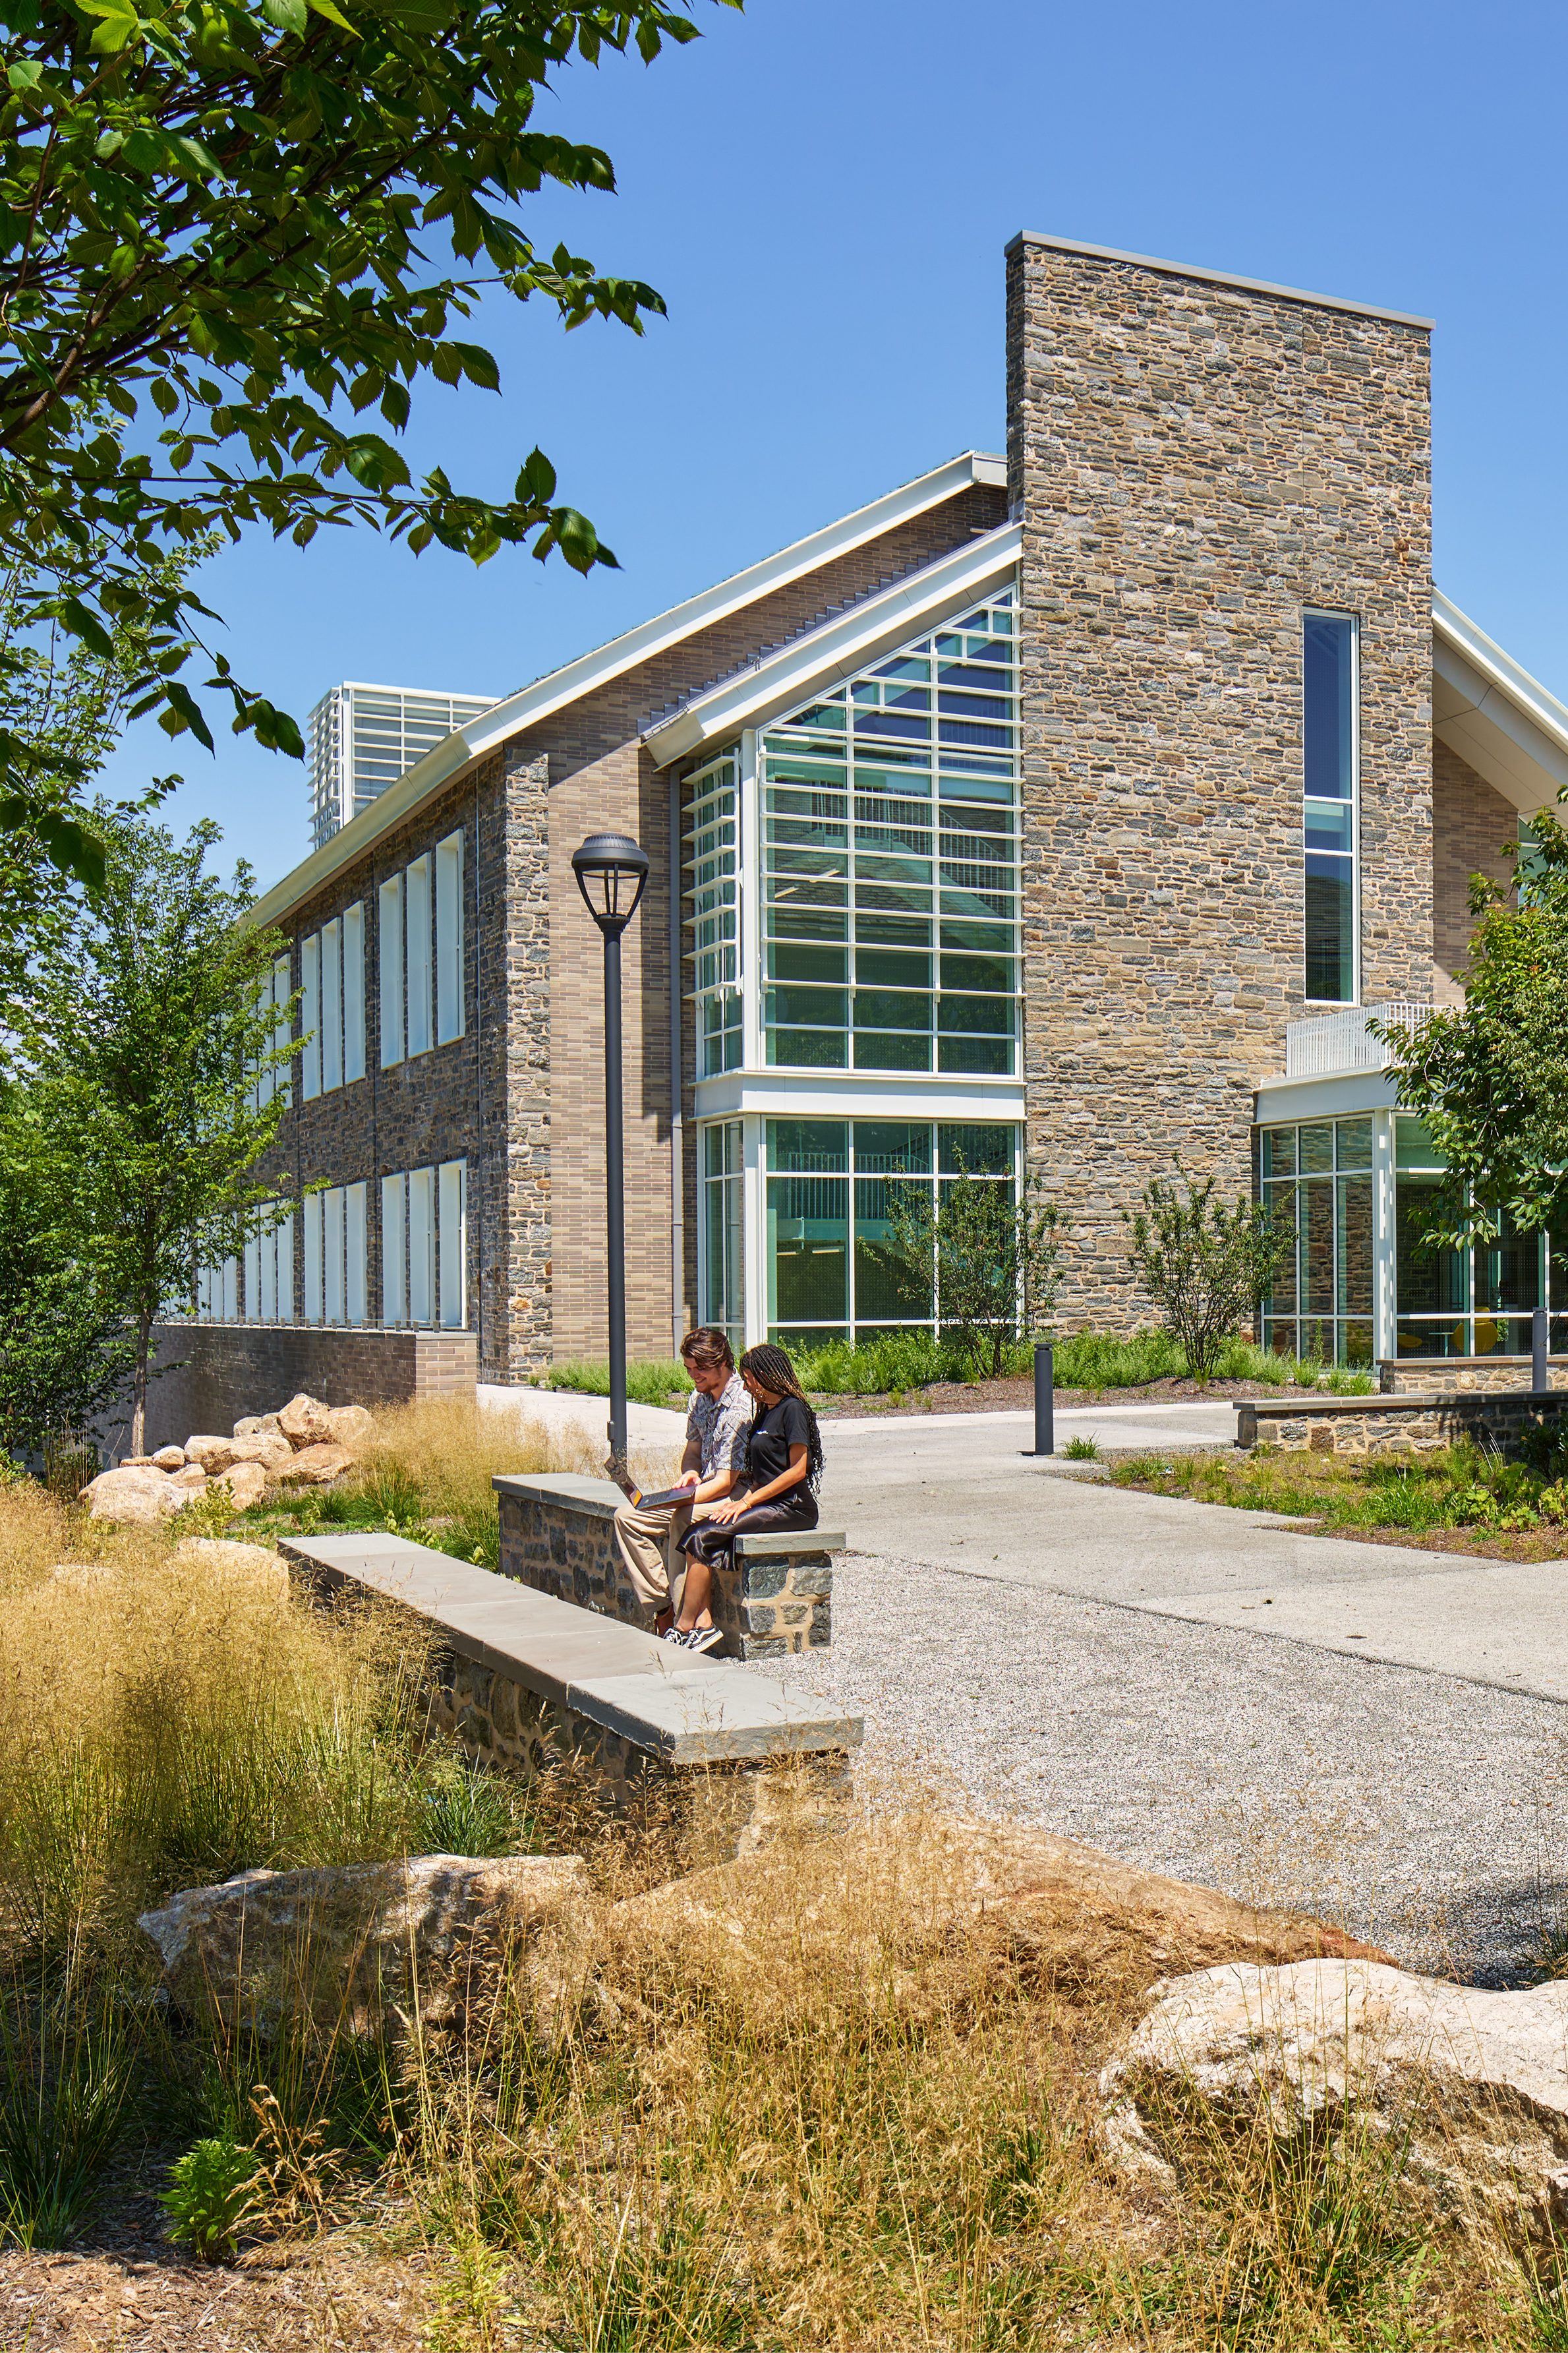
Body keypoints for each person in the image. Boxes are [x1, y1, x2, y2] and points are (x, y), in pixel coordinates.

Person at [672, 1342, 825, 1643]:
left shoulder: (793, 1409)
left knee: (701, 1536)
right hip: (766, 1502)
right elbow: (761, 1470)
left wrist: (747, 1502)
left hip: (792, 1507)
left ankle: (685, 1628)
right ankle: (698, 1626)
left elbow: (798, 1471)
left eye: (749, 1378)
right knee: (698, 1535)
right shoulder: (765, 1411)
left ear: (767, 1375)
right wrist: (742, 1502)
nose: (746, 1385)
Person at [613, 1326, 749, 1650]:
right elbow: (692, 1451)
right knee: (626, 1517)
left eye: (698, 1369)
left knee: (683, 1517)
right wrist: (689, 1474)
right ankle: (664, 1609)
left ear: (721, 1363)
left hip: (738, 1493)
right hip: (706, 1487)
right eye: (688, 1369)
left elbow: (726, 1482)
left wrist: (673, 1502)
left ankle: (687, 1625)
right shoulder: (699, 1399)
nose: (693, 1376)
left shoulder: (740, 1406)